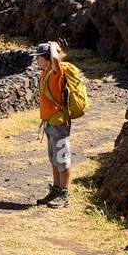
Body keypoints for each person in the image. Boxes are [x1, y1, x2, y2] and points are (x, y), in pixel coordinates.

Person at [35, 41, 75, 209]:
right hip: (50, 123)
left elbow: (56, 61)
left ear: (47, 59)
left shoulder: (55, 73)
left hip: (59, 123)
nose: (36, 60)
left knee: (62, 158)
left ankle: (64, 194)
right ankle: (56, 189)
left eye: (38, 57)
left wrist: (53, 46)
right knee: (54, 159)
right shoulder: (45, 72)